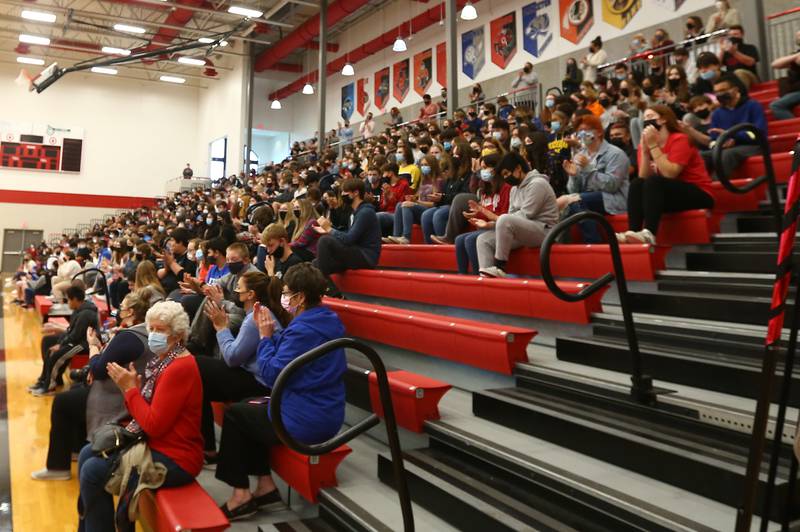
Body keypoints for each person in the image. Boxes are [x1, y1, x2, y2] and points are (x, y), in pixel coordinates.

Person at [214, 263, 346, 520]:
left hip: (307, 418)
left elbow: (273, 374)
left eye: (287, 292)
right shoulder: (324, 321)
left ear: (300, 297)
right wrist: (272, 337)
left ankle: (240, 494)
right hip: (322, 408)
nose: (284, 296)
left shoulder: (304, 330)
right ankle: (265, 485)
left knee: (236, 415)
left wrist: (265, 337)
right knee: (249, 406)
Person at [77, 301, 202, 532]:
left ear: (178, 335)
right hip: (158, 444)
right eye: (151, 329)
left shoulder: (178, 367)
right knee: (88, 452)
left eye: (160, 330)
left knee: (93, 471)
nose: (153, 334)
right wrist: (133, 388)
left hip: (177, 456)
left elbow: (153, 425)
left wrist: (129, 389)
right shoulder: (164, 359)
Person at [31, 290, 154, 481]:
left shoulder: (128, 337)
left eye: (121, 308)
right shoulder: (143, 332)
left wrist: (93, 346)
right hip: (126, 390)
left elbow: (97, 369)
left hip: (118, 398)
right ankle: (75, 448)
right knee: (74, 392)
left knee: (62, 403)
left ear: (130, 312)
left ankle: (57, 467)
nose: (118, 310)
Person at [197, 271, 291, 462]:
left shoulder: (254, 318)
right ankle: (206, 446)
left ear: (251, 295)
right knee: (199, 378)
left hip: (260, 382)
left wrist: (221, 328)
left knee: (197, 366)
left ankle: (207, 446)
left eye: (239, 288)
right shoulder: (260, 312)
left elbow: (232, 358)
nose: (235, 291)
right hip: (255, 376)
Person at [620, 105, 714, 245]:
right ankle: (633, 232)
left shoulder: (680, 139)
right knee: (637, 184)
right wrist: (645, 152)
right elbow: (642, 177)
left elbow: (670, 174)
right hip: (668, 195)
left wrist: (653, 147)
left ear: (663, 119)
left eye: (650, 117)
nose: (646, 121)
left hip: (699, 192)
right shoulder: (645, 143)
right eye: (644, 118)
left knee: (654, 181)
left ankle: (649, 233)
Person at [476, 152, 559, 278]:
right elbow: (511, 216)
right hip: (524, 230)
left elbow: (526, 214)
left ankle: (499, 266)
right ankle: (487, 278)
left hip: (545, 231)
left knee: (505, 219)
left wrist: (497, 219)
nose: (505, 178)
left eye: (506, 173)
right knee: (483, 239)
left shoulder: (538, 184)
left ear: (518, 169)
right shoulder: (514, 188)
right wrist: (491, 224)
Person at [557, 114, 630, 243]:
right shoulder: (580, 155)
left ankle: (594, 242)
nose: (582, 134)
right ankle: (558, 246)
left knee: (574, 201)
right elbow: (573, 189)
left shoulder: (616, 154)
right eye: (579, 131)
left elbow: (612, 185)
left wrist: (588, 169)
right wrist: (574, 177)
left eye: (586, 130)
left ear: (599, 132)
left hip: (613, 199)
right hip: (587, 199)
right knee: (567, 204)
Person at [314, 178, 382, 297]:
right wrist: (330, 230)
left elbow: (349, 239)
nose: (342, 195)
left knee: (324, 241)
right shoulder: (354, 212)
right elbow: (348, 234)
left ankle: (332, 291)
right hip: (356, 252)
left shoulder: (365, 212)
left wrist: (329, 230)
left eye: (345, 192)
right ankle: (335, 294)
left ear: (355, 193)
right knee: (315, 263)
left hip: (366, 256)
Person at [30, 285, 99, 396]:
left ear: (75, 299)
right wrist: (60, 342)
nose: (68, 303)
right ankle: (45, 380)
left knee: (56, 355)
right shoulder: (79, 310)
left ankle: (49, 387)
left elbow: (75, 336)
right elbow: (71, 331)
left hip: (84, 344)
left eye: (68, 300)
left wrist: (61, 345)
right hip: (76, 341)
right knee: (49, 344)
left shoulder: (86, 314)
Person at [700, 75, 767, 179]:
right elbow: (713, 138)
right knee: (701, 156)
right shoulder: (717, 113)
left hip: (753, 146)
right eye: (716, 92)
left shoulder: (753, 105)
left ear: (735, 90)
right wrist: (720, 144)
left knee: (726, 155)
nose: (719, 94)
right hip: (725, 148)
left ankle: (716, 188)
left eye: (723, 90)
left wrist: (734, 137)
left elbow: (759, 133)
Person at [454, 154, 511, 274]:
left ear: (496, 168)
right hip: (486, 227)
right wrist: (475, 214)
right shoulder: (485, 188)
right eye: (481, 168)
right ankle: (462, 275)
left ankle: (477, 276)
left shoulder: (506, 188)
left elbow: (504, 215)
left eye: (485, 167)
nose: (482, 171)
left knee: (470, 239)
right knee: (459, 239)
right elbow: (484, 211)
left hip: (499, 227)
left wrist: (481, 211)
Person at [387, 155, 443, 245]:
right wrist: (413, 199)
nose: (424, 167)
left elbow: (434, 204)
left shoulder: (438, 181)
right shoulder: (423, 180)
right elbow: (418, 198)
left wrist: (416, 202)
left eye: (426, 164)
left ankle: (406, 237)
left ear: (432, 165)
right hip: (420, 209)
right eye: (422, 165)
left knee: (406, 205)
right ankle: (396, 236)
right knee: (399, 205)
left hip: (430, 210)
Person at [769, 31, 800, 120]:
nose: (799, 38)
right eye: (798, 36)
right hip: (795, 90)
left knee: (776, 105)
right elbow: (775, 64)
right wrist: (795, 56)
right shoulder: (796, 54)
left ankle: (796, 127)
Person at [157, 228, 196, 296]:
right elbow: (162, 273)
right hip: (165, 286)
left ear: (180, 242)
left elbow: (185, 276)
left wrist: (172, 263)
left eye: (172, 240)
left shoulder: (190, 257)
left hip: (178, 290)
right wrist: (166, 261)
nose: (170, 244)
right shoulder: (174, 255)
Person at [377, 162, 413, 237]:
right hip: (386, 213)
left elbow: (402, 206)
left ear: (390, 173)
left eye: (384, 173)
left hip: (396, 214)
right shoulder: (386, 186)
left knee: (377, 217)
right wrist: (386, 198)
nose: (383, 176)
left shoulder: (404, 184)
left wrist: (391, 197)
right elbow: (382, 207)